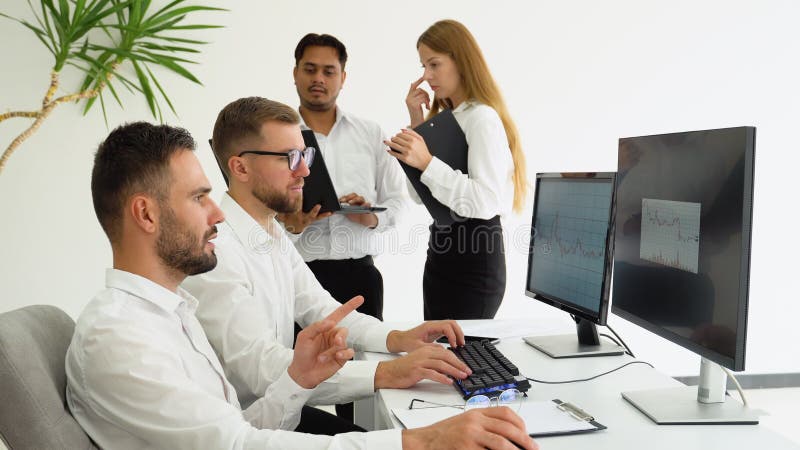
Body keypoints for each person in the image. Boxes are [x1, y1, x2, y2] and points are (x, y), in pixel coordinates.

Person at [66, 121, 538, 450]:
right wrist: (416, 440)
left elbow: (234, 430)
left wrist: (299, 379)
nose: (217, 213)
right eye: (199, 197)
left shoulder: (169, 311)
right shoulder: (120, 337)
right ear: (146, 214)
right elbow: (239, 444)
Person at [279, 33, 410, 419]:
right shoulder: (276, 135)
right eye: (310, 69)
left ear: (343, 77)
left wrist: (368, 215)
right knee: (295, 380)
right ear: (295, 73)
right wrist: (293, 223)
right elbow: (258, 206)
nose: (318, 78)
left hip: (359, 276)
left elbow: (398, 204)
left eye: (328, 71)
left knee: (365, 379)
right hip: (298, 276)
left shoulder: (370, 134)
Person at [386, 19, 528, 320]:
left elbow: (485, 201)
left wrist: (426, 162)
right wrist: (416, 122)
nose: (426, 76)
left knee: (464, 360)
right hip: (441, 253)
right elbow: (418, 196)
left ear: (461, 61)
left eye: (434, 64)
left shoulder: (482, 118)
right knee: (439, 358)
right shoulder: (449, 118)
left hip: (474, 259)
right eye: (423, 66)